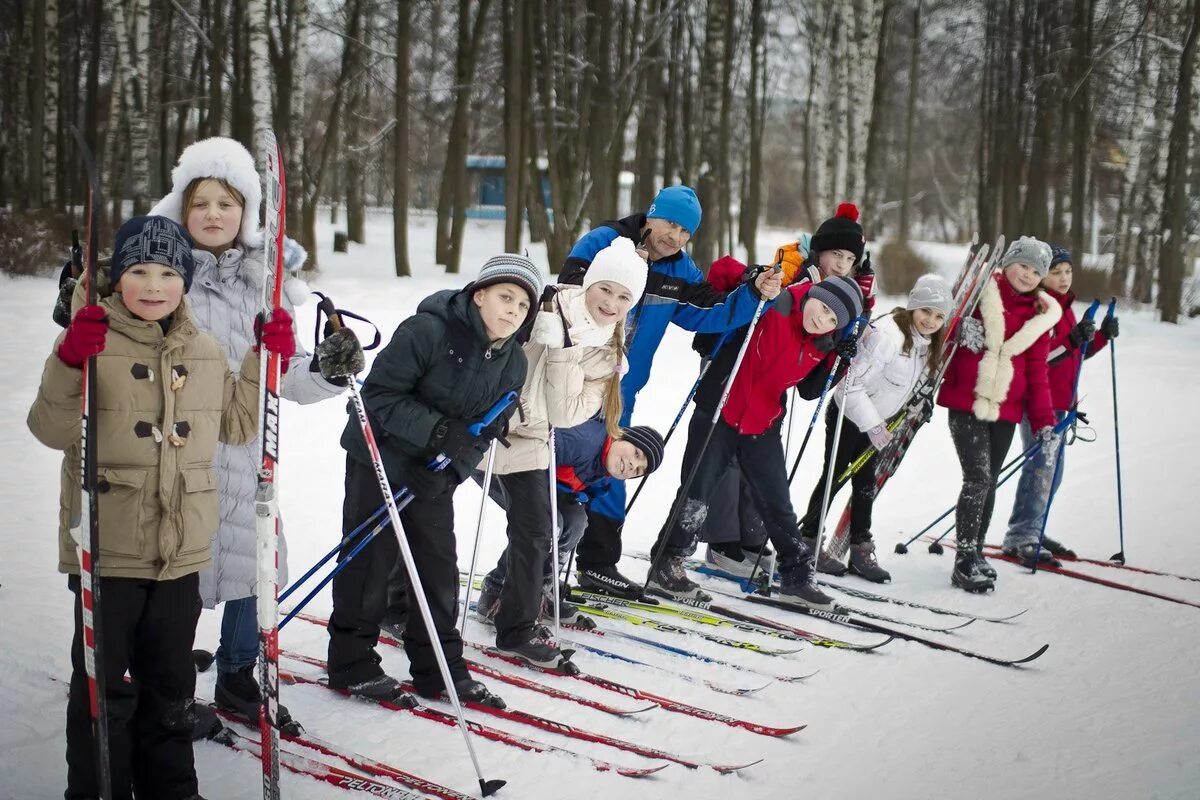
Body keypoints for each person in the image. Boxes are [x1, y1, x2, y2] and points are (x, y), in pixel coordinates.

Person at [54, 137, 357, 731]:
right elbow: (106, 329)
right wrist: (75, 301)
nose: (214, 215)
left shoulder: (268, 286)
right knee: (170, 576)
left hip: (242, 450)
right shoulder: (160, 272)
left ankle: (241, 676)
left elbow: (283, 378)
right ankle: (163, 682)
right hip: (162, 454)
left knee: (258, 561)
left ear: (246, 213)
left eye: (228, 203)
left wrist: (324, 369)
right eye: (201, 203)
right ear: (180, 207)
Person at [28, 215, 293, 800]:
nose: (154, 285)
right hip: (108, 552)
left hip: (181, 555)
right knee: (106, 693)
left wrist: (261, 361)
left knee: (171, 689)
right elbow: (49, 429)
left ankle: (173, 789)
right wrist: (71, 360)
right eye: (139, 270)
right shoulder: (90, 339)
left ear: (186, 279)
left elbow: (239, 422)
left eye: (169, 271)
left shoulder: (201, 348)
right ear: (117, 277)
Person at [327, 254, 543, 705]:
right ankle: (352, 662)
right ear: (479, 294)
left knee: (438, 567)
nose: (513, 311)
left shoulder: (513, 364)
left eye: (523, 307)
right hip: (379, 455)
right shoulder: (427, 330)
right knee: (371, 561)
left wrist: (451, 474)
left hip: (433, 472)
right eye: (506, 297)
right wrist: (442, 433)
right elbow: (375, 400)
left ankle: (439, 667)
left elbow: (486, 430)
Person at [560, 185, 783, 598]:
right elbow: (568, 293)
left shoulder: (681, 270)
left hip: (620, 394)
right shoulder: (605, 242)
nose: (676, 238)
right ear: (652, 215)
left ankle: (598, 565)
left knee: (611, 473)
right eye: (672, 225)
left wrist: (754, 292)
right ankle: (535, 568)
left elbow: (711, 313)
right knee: (560, 473)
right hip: (569, 379)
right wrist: (628, 274)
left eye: (686, 232)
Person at [468, 238, 645, 668]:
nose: (612, 303)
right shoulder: (541, 305)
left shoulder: (608, 354)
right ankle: (396, 600)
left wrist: (563, 350)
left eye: (625, 297)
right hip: (480, 425)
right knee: (423, 509)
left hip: (530, 441)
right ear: (589, 282)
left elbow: (565, 414)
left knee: (538, 529)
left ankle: (517, 628)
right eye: (606, 289)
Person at [650, 275, 866, 608]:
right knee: (697, 493)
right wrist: (751, 284)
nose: (821, 319)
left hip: (761, 424)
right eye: (822, 307)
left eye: (832, 319)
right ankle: (667, 563)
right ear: (813, 294)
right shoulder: (775, 304)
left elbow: (810, 391)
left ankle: (797, 577)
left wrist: (840, 361)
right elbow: (728, 282)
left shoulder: (823, 342)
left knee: (777, 502)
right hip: (720, 410)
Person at [694, 202, 873, 580]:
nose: (840, 264)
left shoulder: (848, 294)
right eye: (835, 254)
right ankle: (722, 540)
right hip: (734, 370)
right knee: (723, 462)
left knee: (761, 463)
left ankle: (751, 538)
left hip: (775, 385)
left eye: (849, 259)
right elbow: (734, 285)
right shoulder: (792, 270)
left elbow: (822, 355)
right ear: (819, 250)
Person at [799, 274, 953, 584]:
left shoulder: (926, 343)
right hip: (848, 417)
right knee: (835, 477)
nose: (931, 321)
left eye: (938, 316)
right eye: (926, 311)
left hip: (876, 423)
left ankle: (860, 548)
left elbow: (902, 384)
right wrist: (874, 425)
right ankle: (808, 542)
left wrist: (916, 405)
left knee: (866, 484)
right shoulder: (888, 335)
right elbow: (848, 387)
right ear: (913, 306)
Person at [937, 237, 1062, 591]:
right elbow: (940, 326)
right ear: (1008, 263)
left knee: (988, 480)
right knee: (976, 478)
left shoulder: (1040, 316)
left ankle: (976, 551)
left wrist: (1044, 423)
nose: (1027, 275)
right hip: (966, 401)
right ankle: (963, 559)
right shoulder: (979, 292)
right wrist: (958, 329)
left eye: (1036, 271)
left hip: (1006, 408)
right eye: (1023, 265)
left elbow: (1037, 374)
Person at [478, 420, 666, 631]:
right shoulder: (582, 442)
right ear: (620, 435)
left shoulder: (604, 466)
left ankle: (540, 591)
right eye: (637, 453)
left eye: (640, 470)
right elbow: (531, 453)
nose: (633, 465)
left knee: (576, 522)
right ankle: (497, 588)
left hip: (543, 479)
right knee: (546, 525)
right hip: (501, 463)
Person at [1001, 246, 1117, 561]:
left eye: (1068, 271)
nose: (1064, 278)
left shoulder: (1064, 308)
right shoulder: (1041, 308)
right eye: (1056, 271)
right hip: (1039, 403)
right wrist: (1072, 340)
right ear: (1042, 274)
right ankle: (1021, 535)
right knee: (1041, 469)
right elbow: (1040, 357)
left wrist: (1100, 337)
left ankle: (1033, 529)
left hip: (1062, 403)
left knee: (1053, 473)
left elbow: (1073, 355)